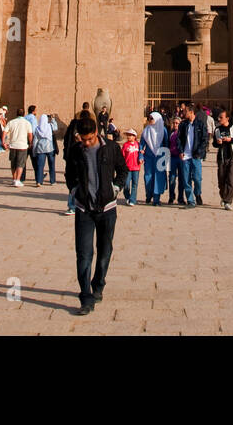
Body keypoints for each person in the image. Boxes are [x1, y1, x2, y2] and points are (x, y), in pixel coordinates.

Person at [65, 115, 127, 315]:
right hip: (84, 209)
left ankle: (98, 284)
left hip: (107, 208)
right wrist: (75, 191)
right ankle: (85, 297)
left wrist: (116, 188)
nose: (86, 143)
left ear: (96, 134)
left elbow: (123, 170)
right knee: (83, 255)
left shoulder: (110, 148)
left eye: (89, 139)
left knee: (104, 251)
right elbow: (69, 174)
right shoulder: (76, 150)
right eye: (83, 139)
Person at [176, 103, 208, 207]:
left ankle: (197, 193)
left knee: (197, 179)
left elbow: (204, 140)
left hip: (196, 156)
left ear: (191, 112)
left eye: (185, 111)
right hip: (185, 156)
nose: (183, 113)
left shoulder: (200, 124)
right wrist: (180, 151)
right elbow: (179, 139)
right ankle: (190, 200)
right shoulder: (183, 125)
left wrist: (199, 152)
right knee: (186, 179)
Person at [212, 109, 233, 210]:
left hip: (232, 157)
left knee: (231, 181)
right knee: (221, 181)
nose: (219, 119)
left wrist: (231, 140)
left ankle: (228, 201)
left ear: (227, 118)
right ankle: (224, 197)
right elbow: (214, 144)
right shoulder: (217, 130)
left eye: (221, 117)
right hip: (221, 158)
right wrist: (217, 143)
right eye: (219, 117)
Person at [139, 111, 166, 206]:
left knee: (158, 178)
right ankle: (148, 195)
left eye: (151, 118)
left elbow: (166, 144)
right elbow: (141, 144)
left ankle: (156, 199)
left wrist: (166, 159)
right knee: (148, 176)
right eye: (149, 118)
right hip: (149, 157)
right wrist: (141, 156)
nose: (149, 120)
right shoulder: (146, 130)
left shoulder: (163, 130)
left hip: (160, 157)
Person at [4, 108, 33, 187]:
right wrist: (31, 143)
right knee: (20, 164)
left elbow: (5, 132)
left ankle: (14, 179)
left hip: (13, 145)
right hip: (22, 146)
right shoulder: (27, 123)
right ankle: (17, 180)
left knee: (13, 164)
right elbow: (30, 135)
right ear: (24, 114)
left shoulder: (11, 122)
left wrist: (3, 142)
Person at [32, 113, 56, 187]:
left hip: (40, 149)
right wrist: (53, 119)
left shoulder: (38, 128)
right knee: (51, 165)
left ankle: (39, 181)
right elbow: (55, 127)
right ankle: (52, 181)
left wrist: (34, 151)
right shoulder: (49, 126)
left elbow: (35, 141)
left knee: (40, 166)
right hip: (50, 148)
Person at [121, 130, 141, 205]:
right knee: (126, 184)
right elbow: (122, 156)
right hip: (127, 168)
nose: (129, 136)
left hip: (136, 168)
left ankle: (132, 200)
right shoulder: (125, 145)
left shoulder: (138, 145)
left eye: (131, 135)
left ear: (134, 137)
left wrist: (142, 157)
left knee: (135, 184)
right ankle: (127, 197)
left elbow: (141, 154)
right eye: (128, 135)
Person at [167, 116, 183, 204]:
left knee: (181, 178)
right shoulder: (171, 133)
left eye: (177, 123)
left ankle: (181, 198)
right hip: (172, 157)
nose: (175, 124)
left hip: (180, 158)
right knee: (172, 178)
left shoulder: (183, 133)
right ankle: (171, 197)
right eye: (174, 123)